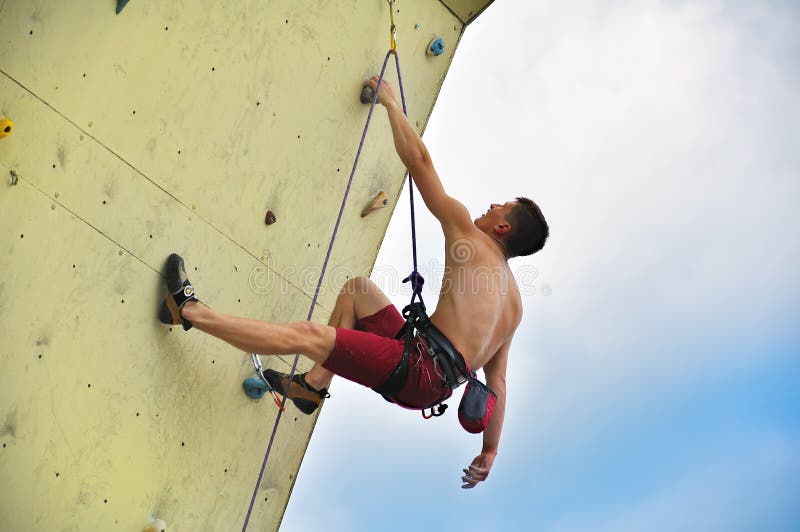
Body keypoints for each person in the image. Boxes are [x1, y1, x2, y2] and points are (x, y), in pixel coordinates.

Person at [158, 75, 548, 488]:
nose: (492, 204)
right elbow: (497, 382)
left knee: (308, 335)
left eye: (501, 205)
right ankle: (313, 385)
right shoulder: (515, 307)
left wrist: (390, 102)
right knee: (359, 291)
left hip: (418, 369)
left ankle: (186, 310)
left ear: (503, 228)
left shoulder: (469, 234)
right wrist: (490, 451)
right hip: (427, 372)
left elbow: (419, 163)